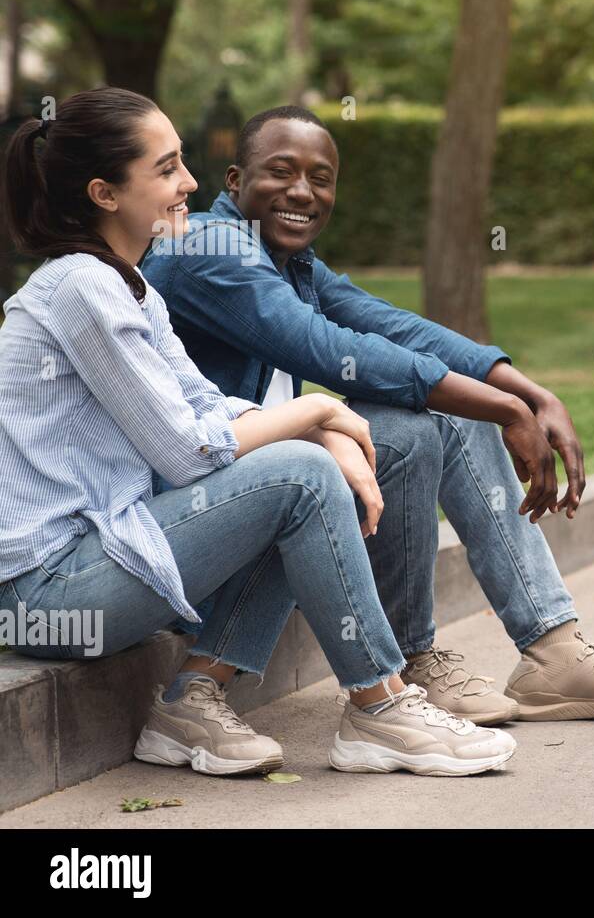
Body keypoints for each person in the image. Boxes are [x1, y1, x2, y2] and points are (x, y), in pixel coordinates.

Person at [0, 87, 516, 777]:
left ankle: (191, 703)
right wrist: (321, 415)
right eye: (167, 168)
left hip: (107, 556)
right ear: (105, 192)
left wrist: (323, 428)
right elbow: (186, 450)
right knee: (300, 474)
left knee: (300, 467)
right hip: (50, 592)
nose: (190, 183)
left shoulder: (127, 286)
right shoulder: (78, 290)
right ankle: (380, 706)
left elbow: (208, 404)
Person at [141, 105, 594, 724]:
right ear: (235, 181)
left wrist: (529, 394)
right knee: (415, 419)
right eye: (281, 171)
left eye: (321, 178)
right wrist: (504, 406)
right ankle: (415, 658)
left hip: (255, 510)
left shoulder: (290, 264)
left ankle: (551, 648)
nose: (302, 191)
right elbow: (325, 347)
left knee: (447, 403)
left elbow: (394, 327)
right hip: (190, 537)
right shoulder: (210, 246)